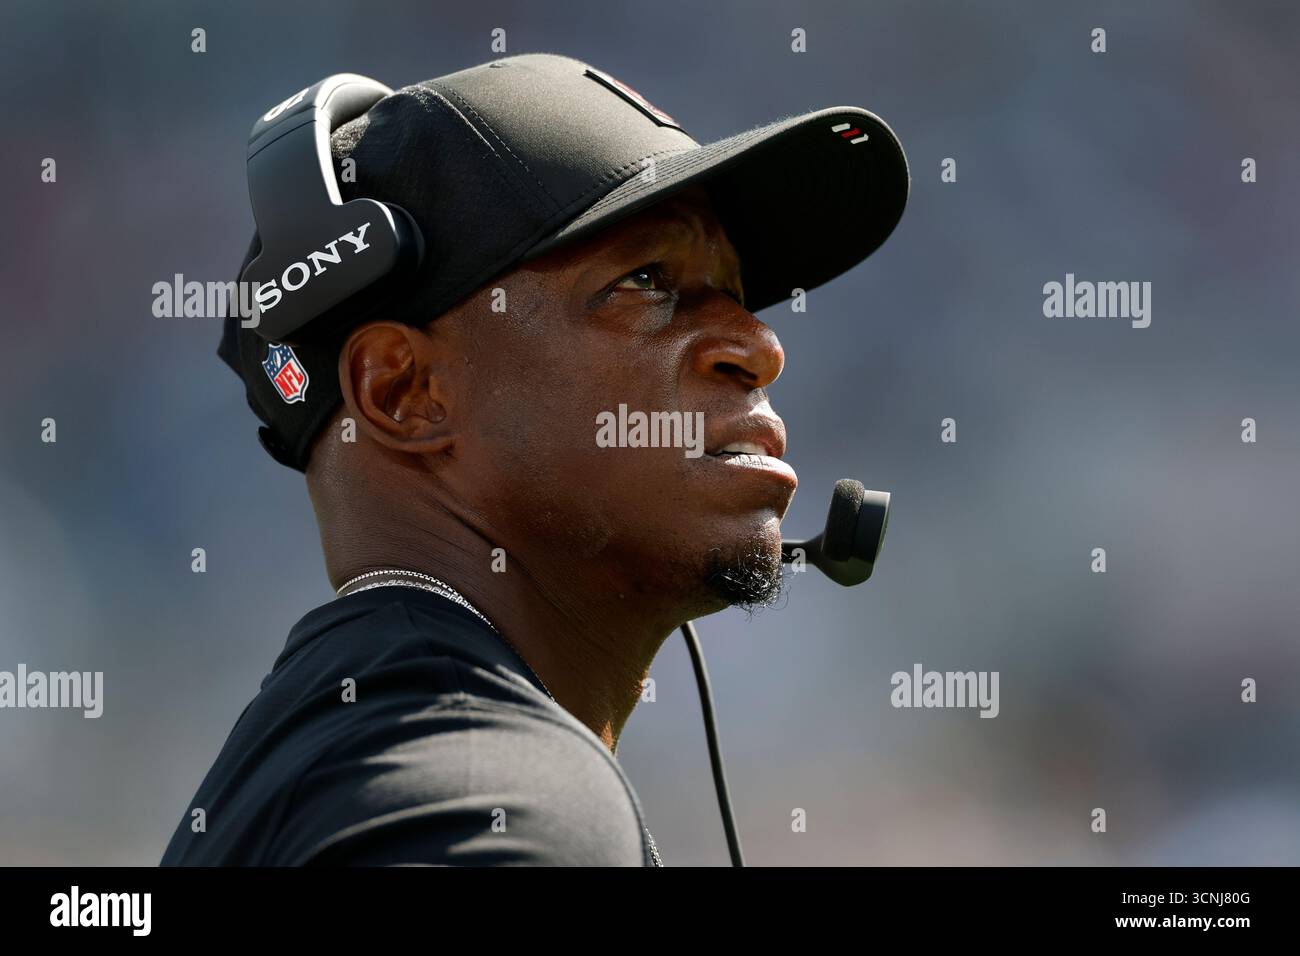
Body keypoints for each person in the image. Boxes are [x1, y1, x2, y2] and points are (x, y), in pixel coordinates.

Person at [161, 52, 907, 866]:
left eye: (733, 290)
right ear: (403, 392)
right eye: (647, 280)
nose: (758, 345)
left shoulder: (354, 747)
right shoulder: (495, 806)